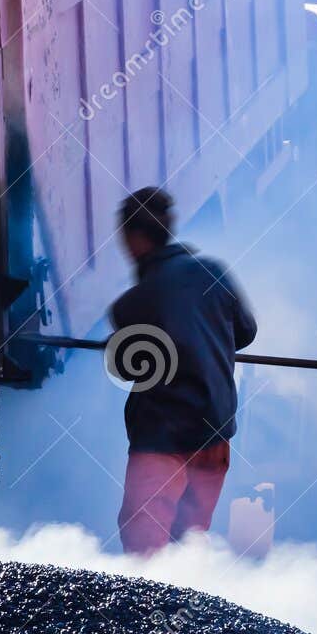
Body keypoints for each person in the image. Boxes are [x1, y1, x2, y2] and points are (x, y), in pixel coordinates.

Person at [109, 187, 257, 555]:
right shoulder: (215, 273)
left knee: (144, 550)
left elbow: (127, 368)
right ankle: (184, 613)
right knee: (189, 540)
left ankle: (144, 614)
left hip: (163, 442)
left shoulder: (131, 305)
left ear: (134, 239)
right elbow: (246, 332)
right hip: (215, 436)